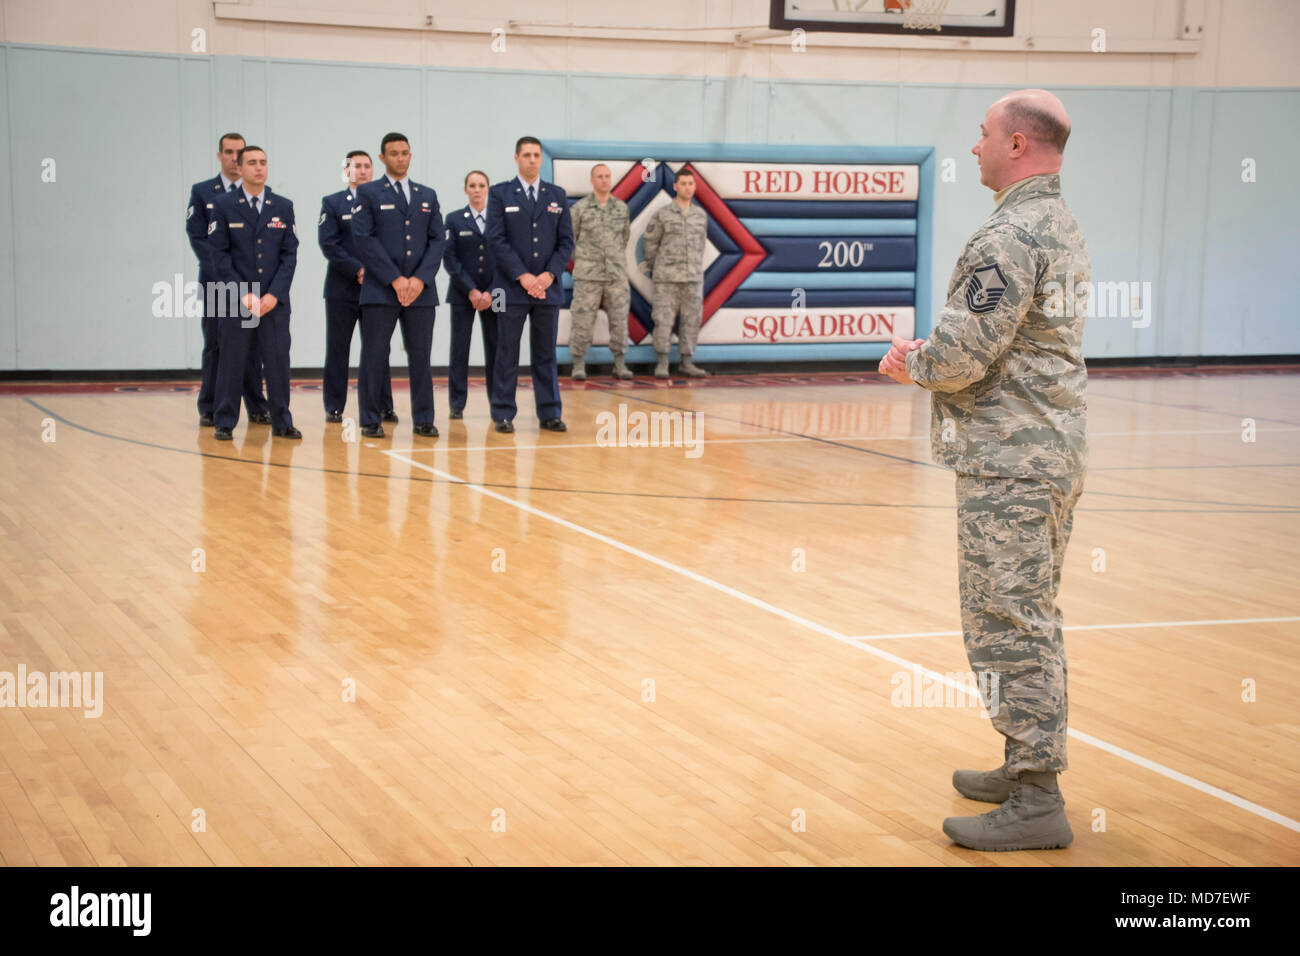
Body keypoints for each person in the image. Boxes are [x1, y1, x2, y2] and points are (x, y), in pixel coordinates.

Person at [878, 89, 1090, 852]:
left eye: (984, 134)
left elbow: (966, 353)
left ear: (1020, 145)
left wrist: (912, 365)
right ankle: (1023, 762)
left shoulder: (1011, 233)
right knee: (1027, 615)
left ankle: (1037, 795)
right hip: (1045, 451)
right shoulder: (1057, 220)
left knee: (1008, 624)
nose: (974, 147)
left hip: (1013, 461)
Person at [350, 132, 446, 439]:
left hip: (421, 291)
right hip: (381, 289)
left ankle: (423, 418)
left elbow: (437, 240)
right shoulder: (368, 193)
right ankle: (369, 418)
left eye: (405, 153)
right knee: (374, 354)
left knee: (421, 356)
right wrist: (395, 278)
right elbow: (365, 240)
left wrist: (419, 278)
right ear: (382, 158)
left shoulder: (427, 195)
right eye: (393, 153)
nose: (400, 158)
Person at [206, 145, 300, 440]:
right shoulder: (222, 205)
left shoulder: (282, 205)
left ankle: (282, 421)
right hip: (237, 300)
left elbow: (289, 255)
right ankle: (224, 421)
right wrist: (242, 294)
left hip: (273, 302)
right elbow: (218, 256)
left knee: (277, 362)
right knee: (232, 360)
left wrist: (274, 294)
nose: (259, 168)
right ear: (240, 167)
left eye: (263, 162)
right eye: (252, 163)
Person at [484, 136, 574, 434]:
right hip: (509, 289)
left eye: (536, 155)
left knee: (545, 353)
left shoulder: (557, 195)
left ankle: (549, 412)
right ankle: (503, 412)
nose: (532, 160)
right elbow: (495, 240)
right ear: (516, 158)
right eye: (526, 155)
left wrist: (548, 275)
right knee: (506, 351)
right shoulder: (499, 194)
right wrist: (523, 276)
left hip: (547, 289)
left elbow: (566, 243)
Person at [186, 132, 268, 426]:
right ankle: (209, 405)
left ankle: (257, 405)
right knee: (217, 345)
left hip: (252, 284)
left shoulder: (258, 195)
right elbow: (198, 238)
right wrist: (224, 273)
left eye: (239, 153)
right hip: (217, 283)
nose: (235, 158)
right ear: (220, 155)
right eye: (229, 152)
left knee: (253, 347)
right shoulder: (203, 192)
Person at [317, 150, 396, 424]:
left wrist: (377, 272)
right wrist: (357, 269)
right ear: (346, 171)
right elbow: (329, 244)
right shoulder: (333, 203)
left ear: (373, 170)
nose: (361, 171)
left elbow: (389, 244)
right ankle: (334, 405)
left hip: (377, 288)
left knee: (378, 348)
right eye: (355, 166)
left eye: (366, 166)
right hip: (342, 288)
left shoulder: (385, 202)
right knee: (338, 348)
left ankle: (384, 405)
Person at [642, 168, 709, 379]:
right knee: (663, 320)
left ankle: (686, 362)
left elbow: (700, 245)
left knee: (691, 320)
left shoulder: (700, 215)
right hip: (667, 279)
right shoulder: (663, 214)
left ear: (694, 187)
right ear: (675, 186)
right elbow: (650, 245)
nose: (688, 187)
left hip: (692, 278)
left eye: (691, 184)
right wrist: (659, 268)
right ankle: (662, 362)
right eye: (684, 184)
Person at [443, 170, 499, 419]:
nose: (477, 189)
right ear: (465, 189)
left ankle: (498, 401)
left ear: (489, 188)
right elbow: (450, 259)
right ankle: (457, 403)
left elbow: (507, 257)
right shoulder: (453, 219)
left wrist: (490, 292)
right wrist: (472, 290)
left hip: (497, 294)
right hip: (462, 294)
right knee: (459, 348)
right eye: (472, 185)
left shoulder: (500, 219)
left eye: (481, 185)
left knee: (498, 348)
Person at [569, 163, 633, 381]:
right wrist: (585, 260)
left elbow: (624, 238)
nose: (604, 180)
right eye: (599, 176)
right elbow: (570, 240)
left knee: (620, 320)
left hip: (616, 275)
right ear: (592, 179)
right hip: (588, 275)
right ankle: (578, 363)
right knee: (582, 320)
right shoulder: (580, 209)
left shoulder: (621, 208)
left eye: (607, 176)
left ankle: (619, 363)